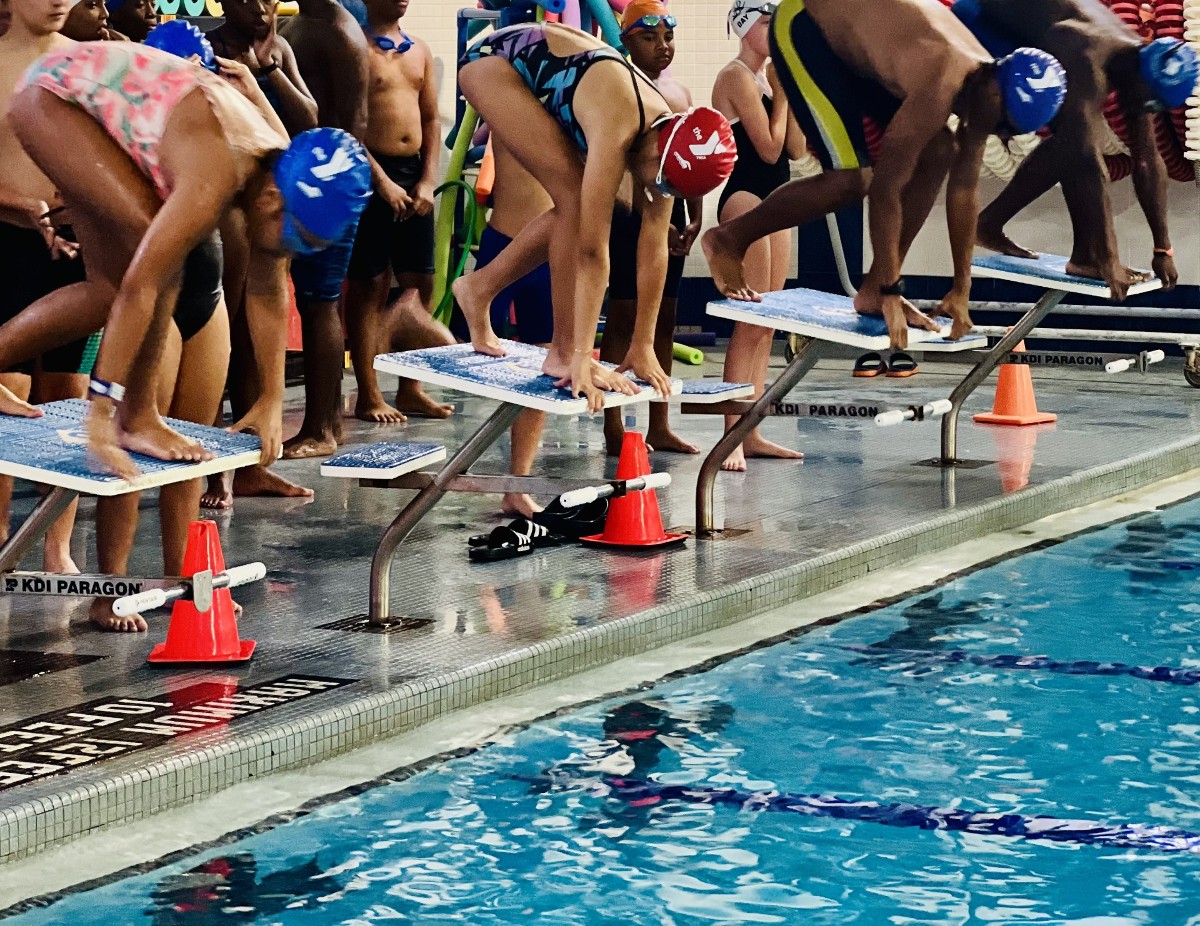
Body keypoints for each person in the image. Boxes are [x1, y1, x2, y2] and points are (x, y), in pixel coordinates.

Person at [0, 34, 370, 628]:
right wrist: (103, 412)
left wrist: (272, 399)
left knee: (103, 291)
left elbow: (270, 288)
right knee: (155, 265)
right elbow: (144, 285)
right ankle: (132, 416)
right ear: (276, 198)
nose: (290, 250)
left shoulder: (280, 167)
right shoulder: (221, 165)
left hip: (80, 105)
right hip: (51, 99)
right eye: (295, 236)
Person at [701, 0, 1068, 349]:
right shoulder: (943, 80)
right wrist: (895, 290)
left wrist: (961, 289)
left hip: (861, 47)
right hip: (808, 25)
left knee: (941, 150)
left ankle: (875, 286)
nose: (994, 132)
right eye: (1000, 124)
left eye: (1004, 132)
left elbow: (964, 188)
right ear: (996, 93)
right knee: (850, 180)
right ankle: (728, 238)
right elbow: (886, 190)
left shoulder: (987, 85)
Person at [453, 21, 736, 413]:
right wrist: (583, 354)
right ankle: (562, 349)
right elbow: (592, 251)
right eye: (663, 182)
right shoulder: (619, 123)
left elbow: (654, 250)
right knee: (574, 200)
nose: (659, 193)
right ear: (659, 152)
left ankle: (478, 289)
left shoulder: (667, 144)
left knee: (586, 203)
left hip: (553, 79)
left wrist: (643, 344)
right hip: (494, 65)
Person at [960, 0, 1194, 297]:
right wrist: (1109, 259)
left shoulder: (1141, 65)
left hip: (1035, 29)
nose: (1143, 111)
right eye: (1146, 102)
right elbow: (1087, 162)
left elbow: (1148, 160)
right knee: (1077, 142)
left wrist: (1163, 249)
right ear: (1139, 77)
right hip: (981, 22)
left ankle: (999, 226)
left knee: (1074, 140)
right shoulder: (1086, 59)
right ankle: (1087, 256)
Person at [0, 0, 90, 574]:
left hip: (75, 251)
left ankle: (56, 548)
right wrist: (19, 205)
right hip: (4, 245)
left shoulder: (86, 66)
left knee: (69, 400)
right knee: (7, 398)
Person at [599, 0, 703, 457]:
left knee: (666, 316)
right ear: (624, 42)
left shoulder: (679, 94)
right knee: (622, 317)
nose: (663, 47)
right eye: (649, 37)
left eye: (668, 37)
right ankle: (613, 423)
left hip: (670, 213)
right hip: (627, 216)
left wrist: (695, 214)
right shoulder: (615, 91)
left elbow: (693, 156)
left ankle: (659, 423)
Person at [344, 0, 455, 426]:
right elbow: (349, 125)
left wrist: (427, 181)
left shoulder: (419, 50)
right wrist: (381, 183)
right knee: (369, 286)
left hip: (413, 176)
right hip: (370, 172)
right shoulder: (356, 48)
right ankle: (369, 393)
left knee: (420, 282)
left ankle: (411, 389)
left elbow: (430, 121)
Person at [711, 1, 806, 472]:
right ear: (746, 28)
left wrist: (790, 92)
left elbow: (796, 148)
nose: (775, 33)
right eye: (769, 23)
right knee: (748, 320)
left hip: (775, 201)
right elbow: (766, 151)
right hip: (746, 198)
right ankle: (731, 433)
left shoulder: (768, 81)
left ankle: (754, 429)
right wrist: (783, 96)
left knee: (770, 321)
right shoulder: (735, 77)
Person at [274, 0, 370, 462]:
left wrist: (327, 192)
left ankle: (321, 426)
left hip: (327, 183)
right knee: (311, 300)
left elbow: (353, 126)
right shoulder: (299, 25)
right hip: (302, 180)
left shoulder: (339, 31)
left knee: (320, 302)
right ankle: (325, 420)